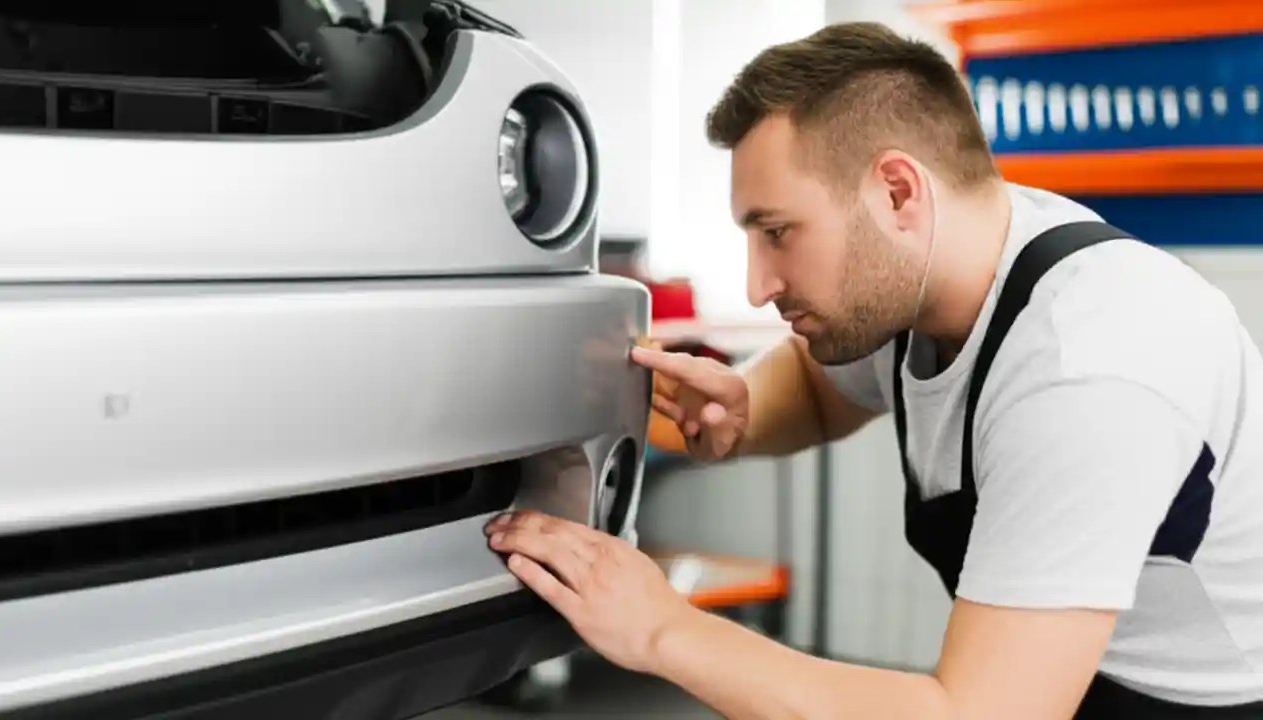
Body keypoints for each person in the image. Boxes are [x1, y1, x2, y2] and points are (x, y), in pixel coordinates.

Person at [483, 21, 1263, 719]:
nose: (758, 284)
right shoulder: (938, 271)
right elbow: (824, 391)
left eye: (779, 232)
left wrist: (660, 629)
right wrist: (744, 407)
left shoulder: (1086, 367)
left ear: (897, 191)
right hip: (1072, 681)